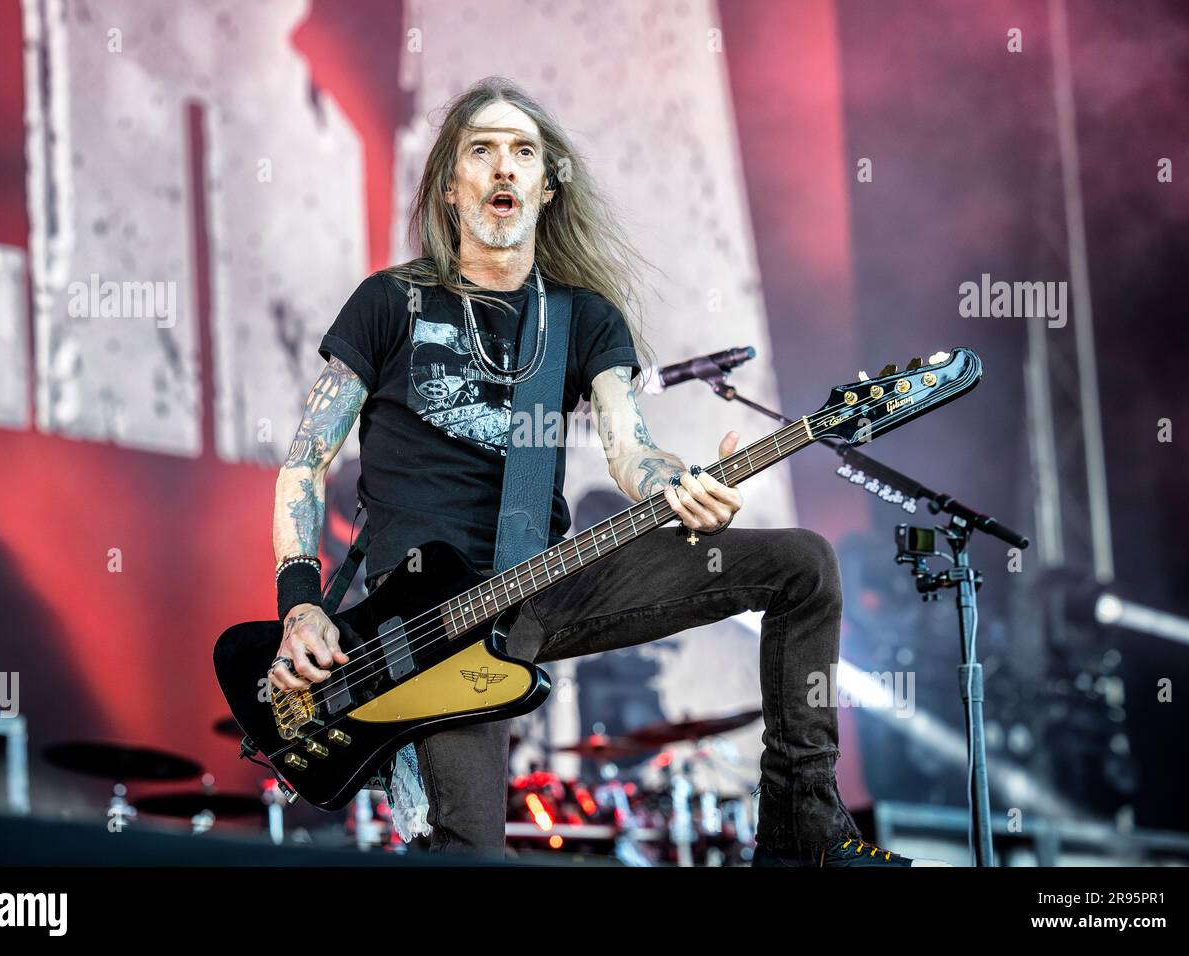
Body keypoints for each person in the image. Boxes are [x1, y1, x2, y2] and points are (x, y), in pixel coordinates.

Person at [268, 76, 944, 867]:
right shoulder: (387, 303)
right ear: (451, 187)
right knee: (468, 854)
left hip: (545, 578)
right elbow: (305, 465)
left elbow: (630, 447)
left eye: (523, 152)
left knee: (803, 565)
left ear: (547, 186)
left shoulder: (582, 317)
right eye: (480, 151)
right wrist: (299, 607)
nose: (503, 169)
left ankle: (803, 832)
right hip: (429, 621)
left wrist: (674, 485)